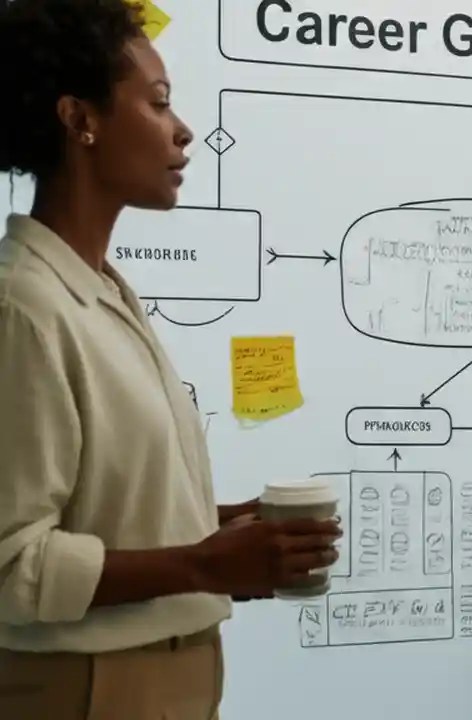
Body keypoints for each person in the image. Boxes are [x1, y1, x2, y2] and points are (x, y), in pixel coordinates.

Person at [0, 1, 341, 718]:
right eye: (157, 104)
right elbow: (11, 564)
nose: (184, 131)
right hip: (88, 688)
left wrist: (214, 528)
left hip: (167, 678)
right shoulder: (23, 309)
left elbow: (100, 509)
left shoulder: (96, 291)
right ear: (79, 120)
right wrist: (201, 563)